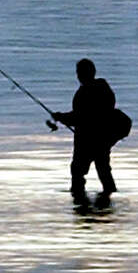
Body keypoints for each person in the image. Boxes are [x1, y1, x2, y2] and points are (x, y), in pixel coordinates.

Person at [50, 58, 118, 199]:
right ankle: (107, 200)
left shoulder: (83, 93)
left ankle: (80, 202)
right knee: (104, 170)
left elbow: (79, 117)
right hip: (103, 139)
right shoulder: (104, 88)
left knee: (77, 172)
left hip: (86, 141)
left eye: (79, 72)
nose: (78, 76)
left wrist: (60, 117)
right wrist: (62, 117)